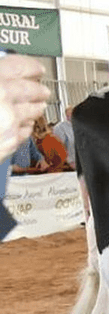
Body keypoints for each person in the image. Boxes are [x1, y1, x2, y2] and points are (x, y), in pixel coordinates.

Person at [0, 52, 53, 238]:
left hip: (26, 182)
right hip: (13, 181)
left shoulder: (25, 131)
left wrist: (41, 160)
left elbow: (34, 152)